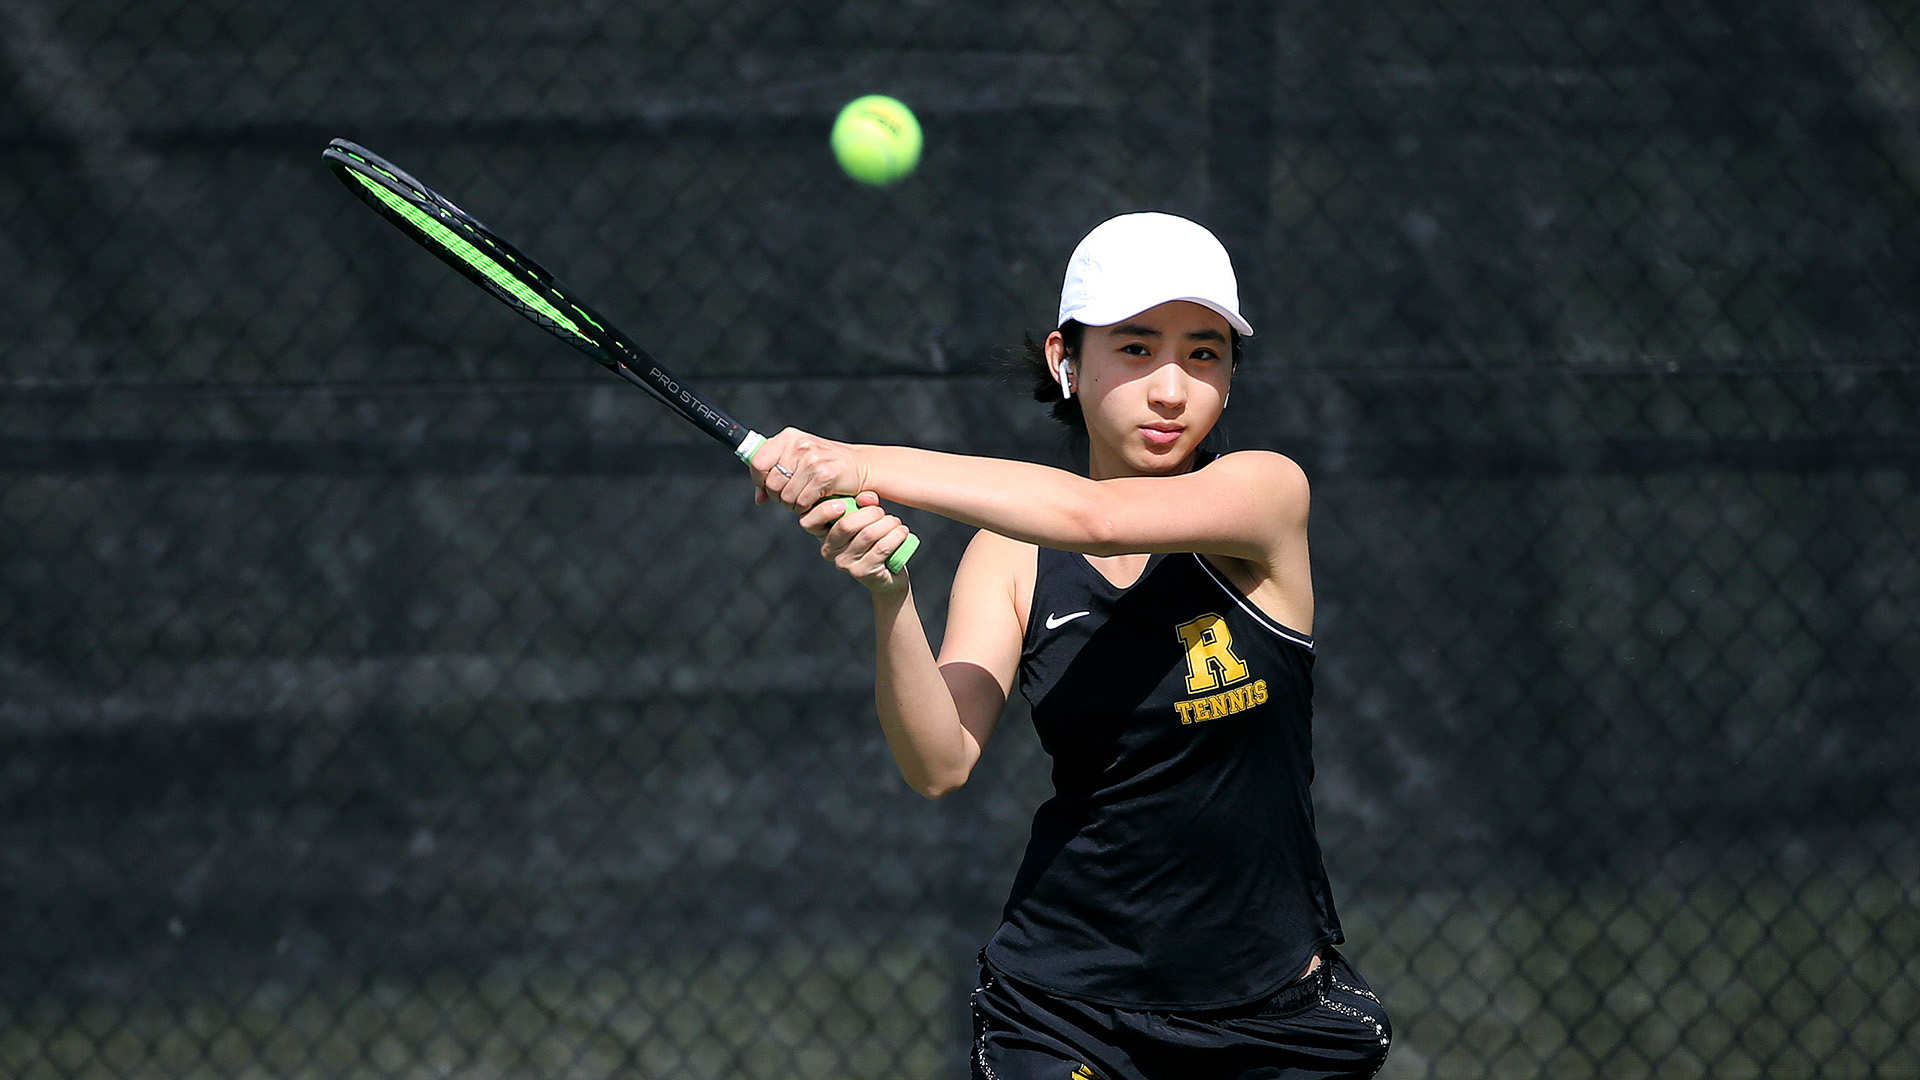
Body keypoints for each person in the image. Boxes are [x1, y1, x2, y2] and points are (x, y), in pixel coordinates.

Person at [749, 212, 1391, 1080]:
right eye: (1136, 349)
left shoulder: (1265, 496)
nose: (1172, 389)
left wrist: (855, 461)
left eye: (1204, 353)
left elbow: (1096, 517)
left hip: (1272, 1019)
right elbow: (939, 761)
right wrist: (889, 598)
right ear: (1066, 361)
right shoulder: (1009, 556)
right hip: (1066, 1015)